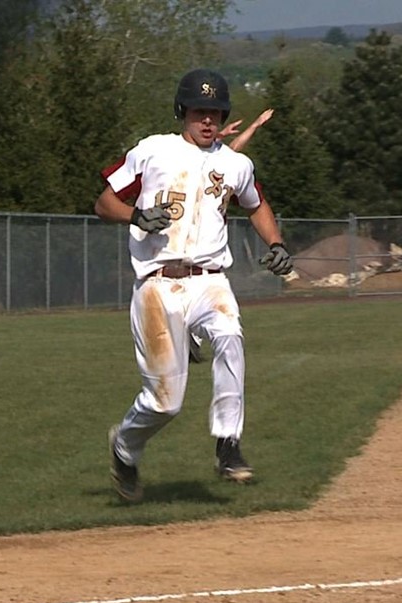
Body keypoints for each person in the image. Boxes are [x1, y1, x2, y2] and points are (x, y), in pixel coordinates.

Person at [95, 70, 293, 503]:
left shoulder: (235, 164)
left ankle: (228, 443)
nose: (208, 120)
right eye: (200, 111)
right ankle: (124, 448)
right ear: (183, 111)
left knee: (229, 334)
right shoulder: (154, 151)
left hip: (209, 279)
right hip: (157, 284)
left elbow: (257, 204)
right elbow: (104, 200)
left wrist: (276, 242)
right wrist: (134, 216)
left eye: (216, 113)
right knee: (165, 402)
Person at [188, 108, 276, 364]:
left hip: (205, 243)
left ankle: (193, 336)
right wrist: (256, 124)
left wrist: (252, 127)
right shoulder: (190, 157)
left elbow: (232, 151)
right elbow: (233, 148)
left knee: (207, 293)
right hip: (186, 240)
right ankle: (190, 336)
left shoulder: (221, 160)